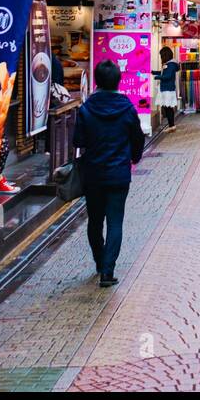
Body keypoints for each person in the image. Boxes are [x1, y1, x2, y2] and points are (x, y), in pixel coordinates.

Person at [73, 60, 146, 287]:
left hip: (93, 174)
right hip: (118, 174)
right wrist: (134, 157)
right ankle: (107, 270)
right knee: (115, 222)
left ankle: (99, 261)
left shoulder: (86, 109)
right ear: (118, 80)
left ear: (97, 81)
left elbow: (78, 141)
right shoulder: (127, 108)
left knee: (95, 221)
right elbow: (138, 138)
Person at [156, 46, 179, 132]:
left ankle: (171, 126)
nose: (161, 57)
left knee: (168, 108)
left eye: (161, 55)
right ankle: (171, 126)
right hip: (167, 88)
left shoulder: (170, 65)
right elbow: (164, 73)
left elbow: (168, 76)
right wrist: (154, 72)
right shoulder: (169, 64)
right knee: (167, 107)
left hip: (168, 89)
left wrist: (158, 77)